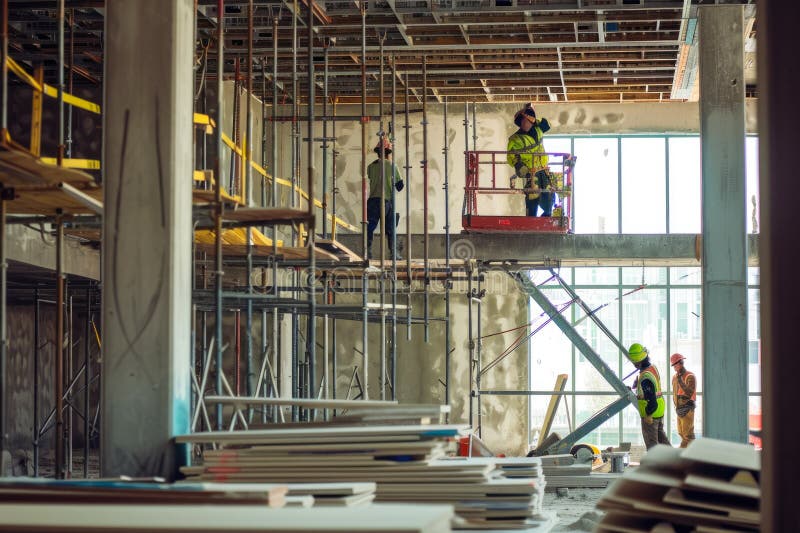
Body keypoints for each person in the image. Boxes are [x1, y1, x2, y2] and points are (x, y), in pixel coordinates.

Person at [506, 104, 553, 217]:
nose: (524, 124)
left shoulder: (538, 129)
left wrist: (535, 120)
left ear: (531, 121)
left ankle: (545, 221)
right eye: (521, 122)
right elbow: (511, 156)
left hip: (544, 171)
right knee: (532, 201)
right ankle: (531, 220)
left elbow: (547, 125)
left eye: (526, 121)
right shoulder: (515, 138)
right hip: (531, 173)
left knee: (548, 202)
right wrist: (518, 165)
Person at [367, 137, 404, 259]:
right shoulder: (392, 166)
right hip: (386, 202)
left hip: (372, 201)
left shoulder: (371, 166)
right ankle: (393, 253)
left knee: (370, 227)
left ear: (377, 152)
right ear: (389, 152)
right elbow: (400, 187)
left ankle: (367, 252)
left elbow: (371, 178)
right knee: (390, 228)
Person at [628, 343, 671, 450]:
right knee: (662, 440)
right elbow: (652, 389)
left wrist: (648, 414)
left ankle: (656, 461)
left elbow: (651, 400)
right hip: (659, 410)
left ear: (637, 362)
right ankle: (674, 458)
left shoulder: (645, 377)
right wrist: (636, 386)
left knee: (652, 445)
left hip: (651, 413)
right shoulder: (651, 368)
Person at [670, 353, 696, 448]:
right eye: (673, 365)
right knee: (681, 432)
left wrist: (680, 380)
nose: (674, 367)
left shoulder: (690, 376)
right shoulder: (674, 377)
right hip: (679, 408)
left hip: (688, 408)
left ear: (681, 363)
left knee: (687, 434)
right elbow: (675, 392)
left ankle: (688, 451)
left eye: (675, 364)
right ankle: (687, 450)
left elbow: (689, 393)